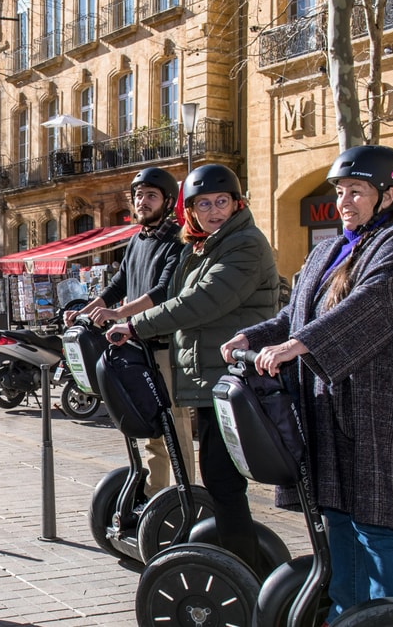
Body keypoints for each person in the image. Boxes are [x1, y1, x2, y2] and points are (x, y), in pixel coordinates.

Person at [221, 145, 393, 621]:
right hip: (325, 407)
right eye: (340, 191)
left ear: (388, 195)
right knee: (337, 518)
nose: (344, 201)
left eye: (357, 191)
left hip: (377, 413)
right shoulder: (328, 250)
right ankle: (346, 615)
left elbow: (371, 306)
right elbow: (294, 314)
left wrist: (299, 346)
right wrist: (253, 336)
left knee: (377, 527)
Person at [106, 163, 281, 574]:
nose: (213, 211)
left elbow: (201, 301)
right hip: (210, 378)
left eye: (221, 202)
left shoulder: (245, 245)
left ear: (237, 204)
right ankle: (236, 562)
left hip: (233, 378)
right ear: (190, 210)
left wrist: (134, 325)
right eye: (204, 204)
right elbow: (170, 293)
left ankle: (242, 571)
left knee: (223, 480)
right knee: (219, 479)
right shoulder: (202, 247)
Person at [64, 167, 192, 496]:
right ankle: (155, 497)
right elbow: (118, 284)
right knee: (149, 426)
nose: (142, 202)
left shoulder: (178, 241)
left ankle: (187, 498)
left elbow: (164, 291)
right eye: (138, 196)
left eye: (151, 196)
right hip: (137, 346)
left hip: (164, 346)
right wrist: (87, 311)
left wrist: (118, 313)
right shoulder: (137, 240)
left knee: (174, 428)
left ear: (167, 202)